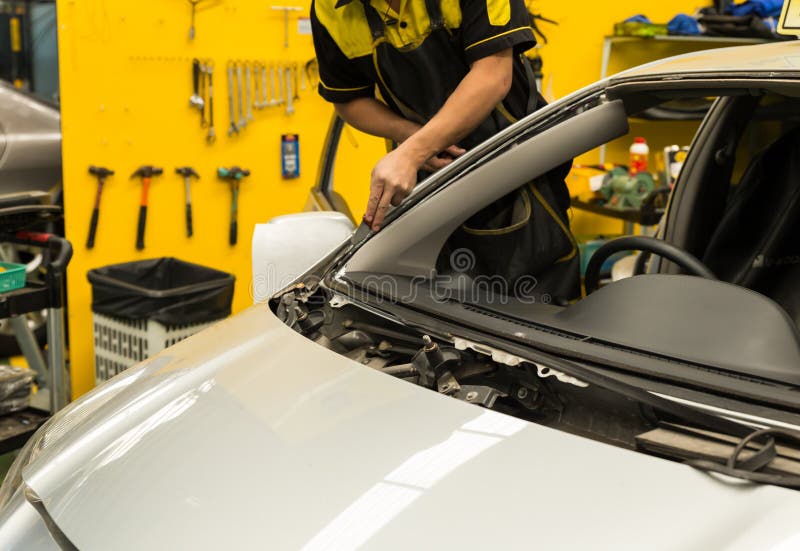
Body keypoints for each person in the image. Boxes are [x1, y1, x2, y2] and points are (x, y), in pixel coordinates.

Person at [311, 0, 580, 301]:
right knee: (443, 311)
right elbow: (348, 100)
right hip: (430, 187)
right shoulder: (329, 8)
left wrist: (411, 152)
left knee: (541, 312)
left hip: (518, 177)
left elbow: (493, 74)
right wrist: (411, 138)